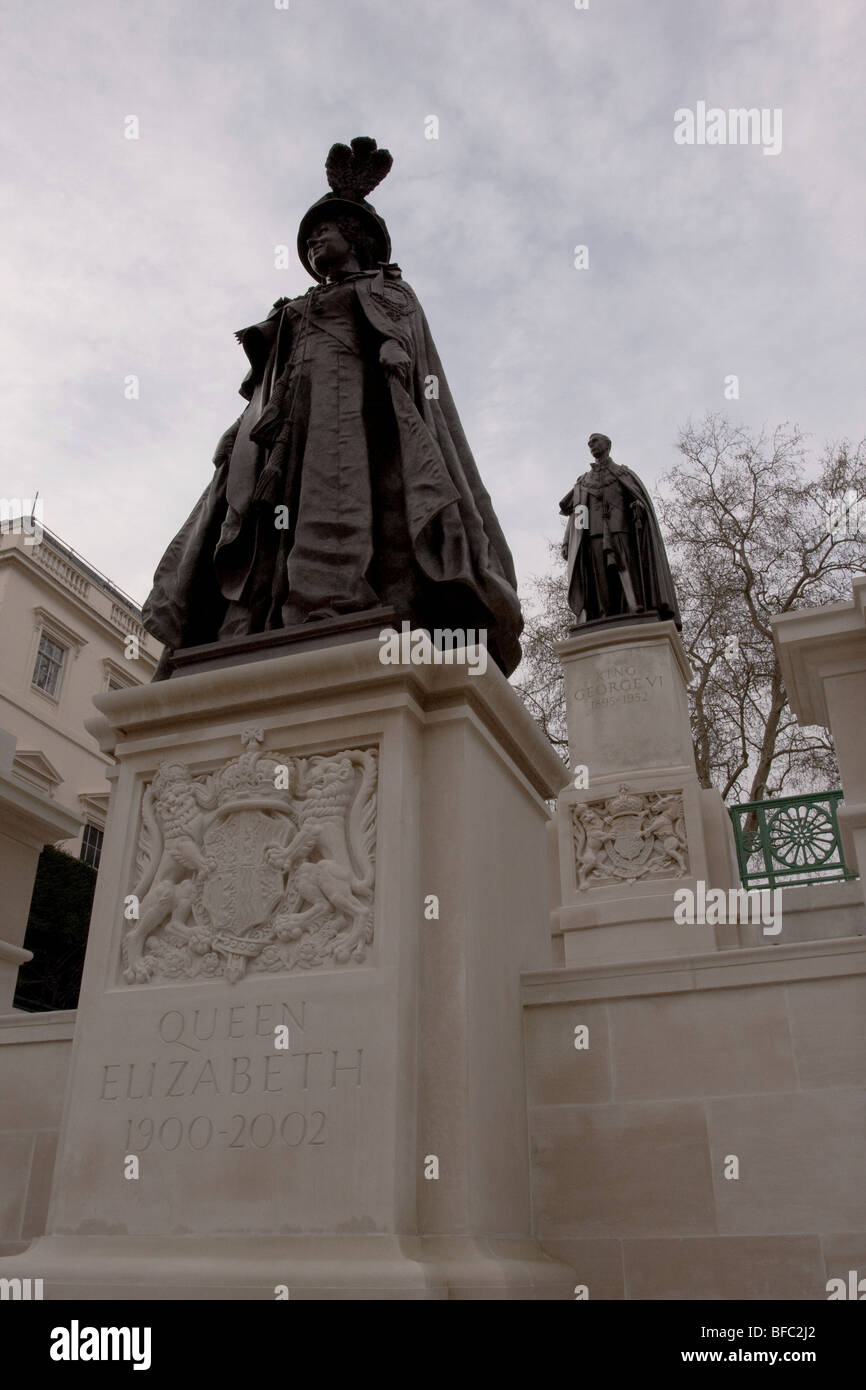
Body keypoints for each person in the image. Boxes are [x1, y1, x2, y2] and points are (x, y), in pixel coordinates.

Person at [143, 137, 522, 678]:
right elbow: (265, 382)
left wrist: (394, 349)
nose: (316, 240)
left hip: (348, 412)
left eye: (326, 231)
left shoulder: (385, 288)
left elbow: (401, 337)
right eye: (310, 236)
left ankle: (333, 602)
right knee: (260, 516)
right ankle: (252, 620)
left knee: (337, 493)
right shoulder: (294, 307)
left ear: (357, 239)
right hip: (279, 429)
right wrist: (237, 431)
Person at [560, 433, 681, 629]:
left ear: (608, 445)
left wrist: (638, 507)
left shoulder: (623, 474)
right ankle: (604, 614)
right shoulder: (583, 481)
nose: (591, 445)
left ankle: (635, 607)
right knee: (599, 575)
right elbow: (578, 512)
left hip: (620, 529)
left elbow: (636, 498)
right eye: (589, 443)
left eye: (595, 441)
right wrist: (568, 541)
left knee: (625, 567)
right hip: (594, 535)